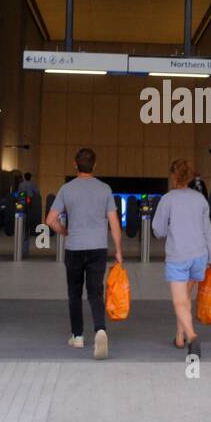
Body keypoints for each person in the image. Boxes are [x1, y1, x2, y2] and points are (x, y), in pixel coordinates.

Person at [46, 148, 123, 360]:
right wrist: (118, 250)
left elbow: (50, 220)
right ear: (94, 165)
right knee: (96, 293)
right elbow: (114, 223)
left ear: (75, 164)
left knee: (74, 293)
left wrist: (64, 231)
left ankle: (77, 336)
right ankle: (100, 330)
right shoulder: (105, 189)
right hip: (98, 248)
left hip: (74, 248)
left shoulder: (66, 189)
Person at [152, 158, 211, 358]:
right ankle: (180, 337)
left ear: (173, 176)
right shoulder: (200, 199)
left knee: (179, 302)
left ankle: (192, 337)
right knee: (186, 298)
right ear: (189, 177)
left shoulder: (168, 199)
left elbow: (158, 230)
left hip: (178, 256)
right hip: (199, 255)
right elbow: (208, 231)